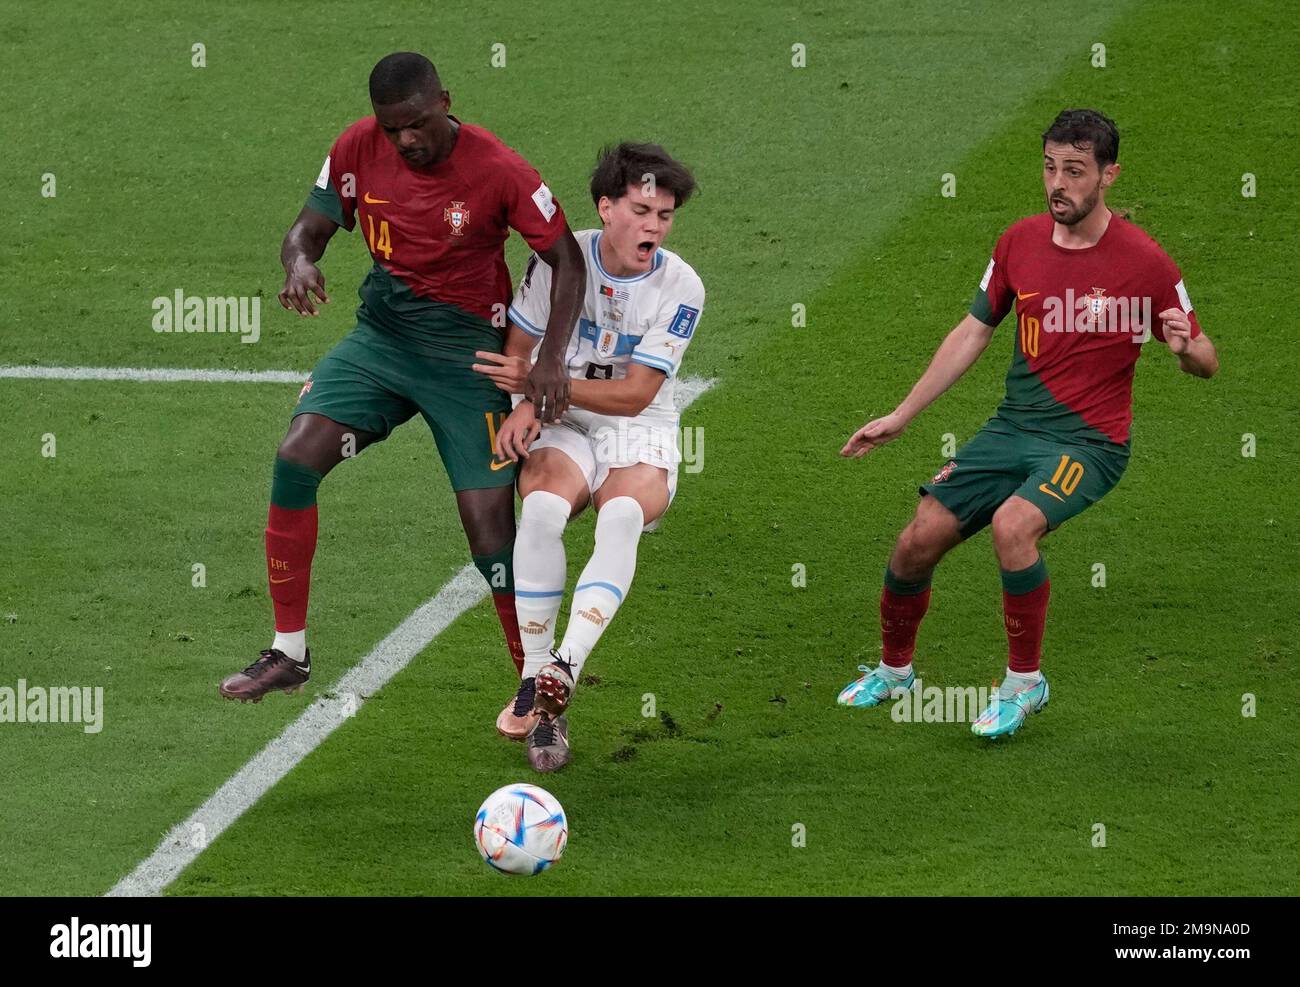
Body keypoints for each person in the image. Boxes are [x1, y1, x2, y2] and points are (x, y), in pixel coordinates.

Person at [838, 108, 1218, 737]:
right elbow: (972, 331)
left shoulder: (1146, 263)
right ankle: (895, 672)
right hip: (1012, 429)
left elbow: (1207, 358)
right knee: (914, 543)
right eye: (1049, 168)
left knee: (1015, 527)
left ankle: (1023, 684)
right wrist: (902, 415)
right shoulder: (1017, 242)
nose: (1057, 185)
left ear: (1108, 175)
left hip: (1090, 442)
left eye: (1074, 171)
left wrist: (1183, 349)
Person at [220, 52, 585, 702]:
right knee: (296, 458)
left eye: (416, 123)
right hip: (383, 338)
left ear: (444, 100)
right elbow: (305, 230)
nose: (406, 139)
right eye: (394, 129)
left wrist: (551, 357)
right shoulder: (357, 147)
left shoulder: (499, 168)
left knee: (490, 529)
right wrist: (298, 265)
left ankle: (536, 684)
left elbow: (566, 260)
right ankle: (288, 652)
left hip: (468, 353)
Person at [473, 142, 703, 770]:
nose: (654, 225)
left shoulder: (681, 286)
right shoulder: (555, 260)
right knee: (543, 509)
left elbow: (635, 394)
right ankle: (535, 677)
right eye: (642, 210)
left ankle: (563, 669)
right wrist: (528, 397)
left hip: (636, 424)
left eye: (665, 215)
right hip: (564, 419)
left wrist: (542, 392)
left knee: (622, 516)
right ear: (606, 207)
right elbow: (517, 350)